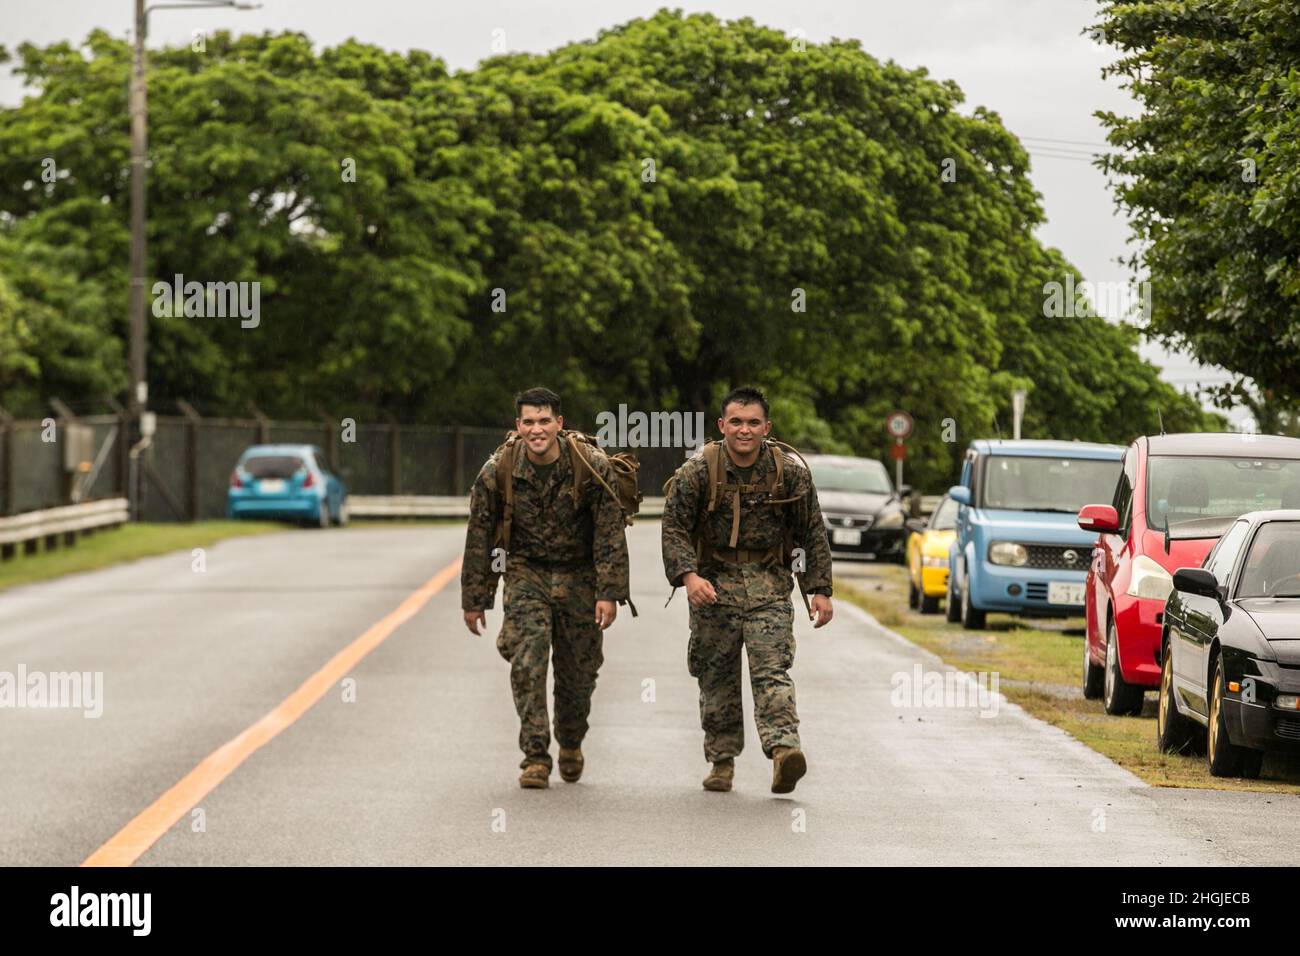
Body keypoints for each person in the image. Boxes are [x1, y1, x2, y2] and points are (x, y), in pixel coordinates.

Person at [661, 385, 834, 794]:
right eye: (736, 422)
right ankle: (721, 760)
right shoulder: (698, 471)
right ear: (722, 425)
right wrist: (689, 577)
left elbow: (812, 531)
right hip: (713, 585)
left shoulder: (788, 471)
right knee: (716, 675)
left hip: (769, 585)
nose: (744, 430)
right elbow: (675, 528)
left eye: (753, 422)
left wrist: (820, 589)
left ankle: (783, 752)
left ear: (766, 427)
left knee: (771, 670)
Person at [461, 387, 630, 789]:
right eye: (528, 422)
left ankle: (570, 740)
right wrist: (476, 599)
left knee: (579, 673)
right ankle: (535, 756)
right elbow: (479, 536)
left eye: (544, 421)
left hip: (579, 577)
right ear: (518, 426)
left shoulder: (590, 466)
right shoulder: (498, 470)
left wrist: (609, 592)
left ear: (559, 423)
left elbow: (609, 531)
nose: (536, 430)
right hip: (525, 573)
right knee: (527, 663)